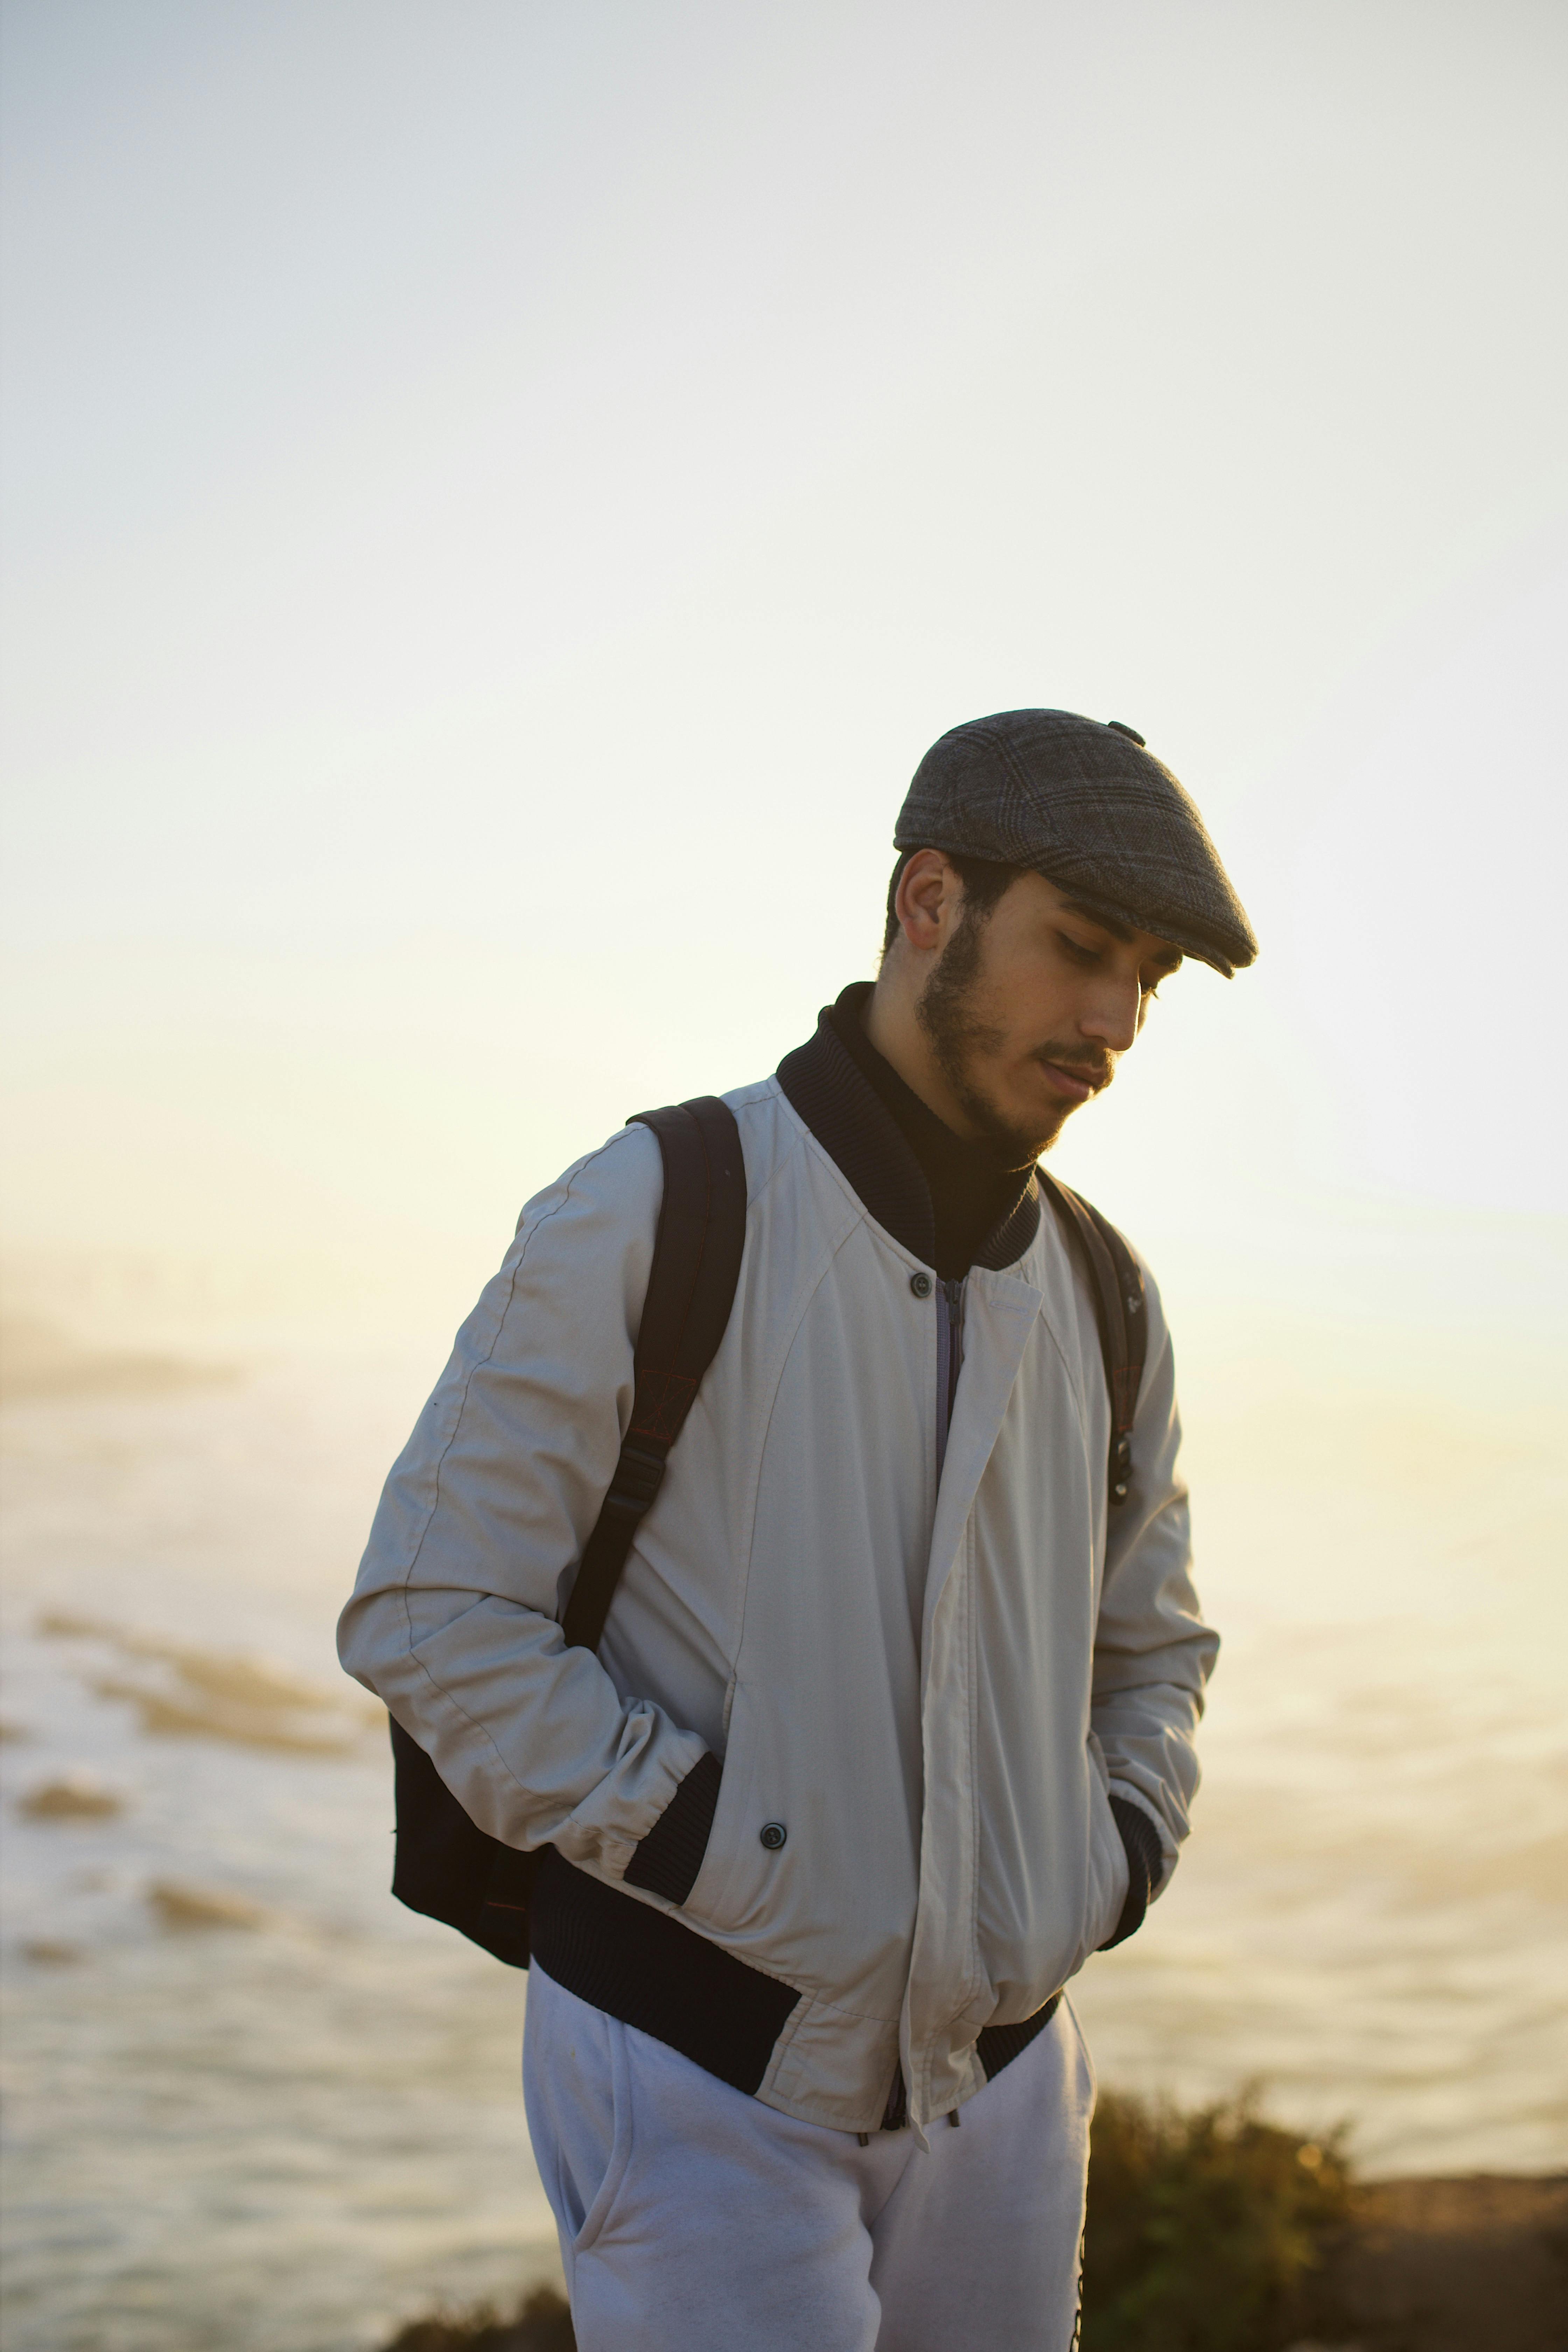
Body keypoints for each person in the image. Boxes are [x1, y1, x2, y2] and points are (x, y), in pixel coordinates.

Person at [338, 707, 1257, 2352]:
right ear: (928, 904)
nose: (1114, 1019)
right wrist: (701, 1840)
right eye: (1081, 950)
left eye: (1149, 983)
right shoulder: (657, 1203)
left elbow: (1158, 1647)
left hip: (1008, 2086)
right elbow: (427, 1612)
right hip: (692, 2071)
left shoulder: (1110, 1294)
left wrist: (1099, 1866)